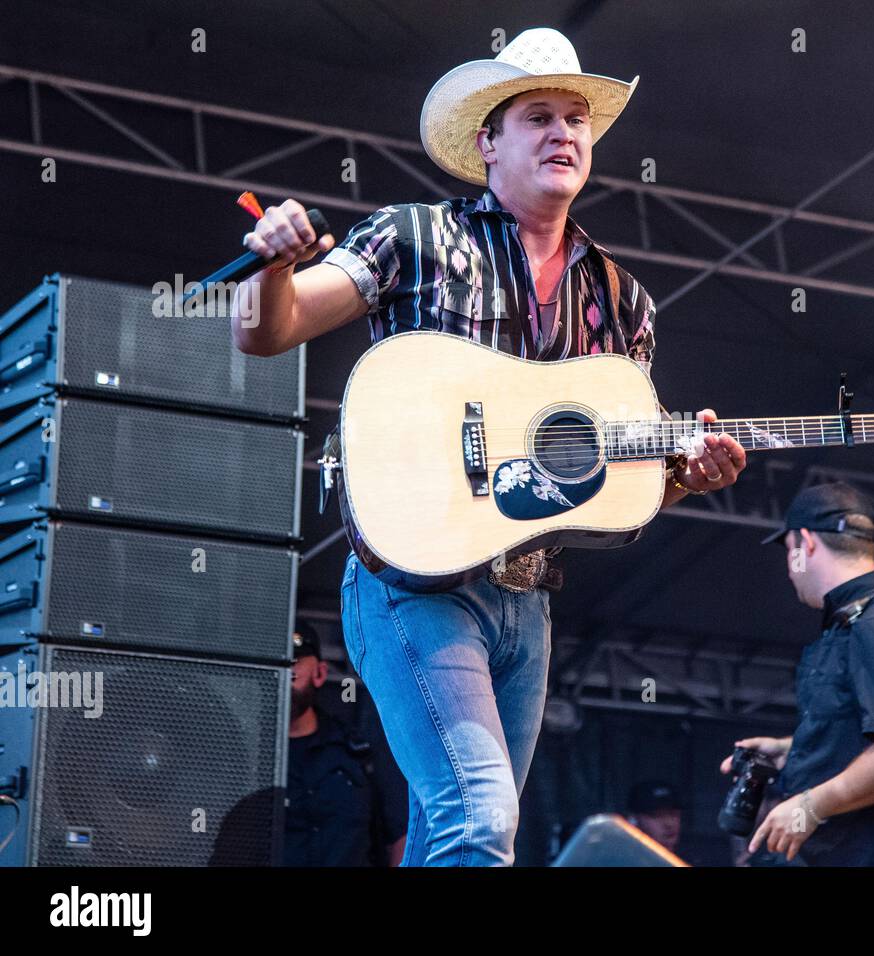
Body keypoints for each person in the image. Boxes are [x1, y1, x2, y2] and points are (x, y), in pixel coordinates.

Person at [232, 28, 747, 865]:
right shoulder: (417, 237)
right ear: (488, 144)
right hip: (413, 583)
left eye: (577, 119)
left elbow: (619, 483)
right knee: (479, 821)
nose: (564, 134)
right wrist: (272, 267)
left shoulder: (624, 301)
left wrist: (688, 478)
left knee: (450, 834)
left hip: (528, 602)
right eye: (538, 115)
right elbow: (269, 332)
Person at [722, 482, 874, 865]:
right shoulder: (855, 621)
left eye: (789, 551)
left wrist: (809, 807)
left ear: (805, 543)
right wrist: (789, 750)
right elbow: (865, 737)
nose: (790, 569)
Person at [284, 620, 407, 866]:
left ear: (320, 673)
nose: (286, 671)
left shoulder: (359, 750)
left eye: (294, 662)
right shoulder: (247, 757)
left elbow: (400, 834)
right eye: (279, 663)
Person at [625, 780, 684, 857]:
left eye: (674, 814)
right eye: (657, 816)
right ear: (633, 821)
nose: (669, 823)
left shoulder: (696, 856)